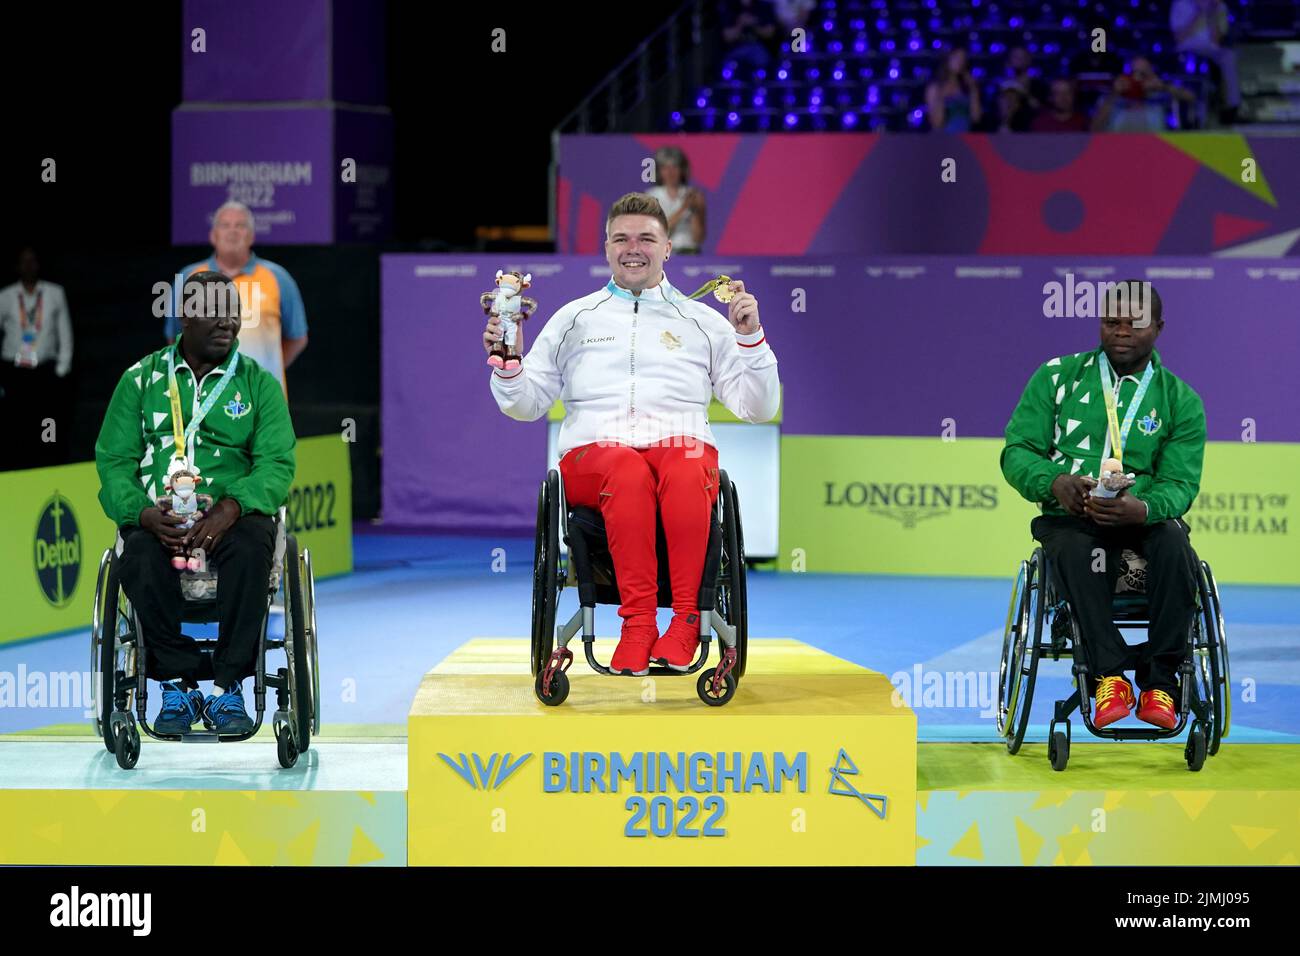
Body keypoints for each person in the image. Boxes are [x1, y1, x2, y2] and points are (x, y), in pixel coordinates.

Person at [484, 194, 780, 675]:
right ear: (606, 249)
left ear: (668, 248)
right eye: (622, 238)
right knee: (624, 466)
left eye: (646, 238)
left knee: (685, 463)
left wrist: (749, 338)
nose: (633, 248)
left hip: (680, 451)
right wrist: (509, 367)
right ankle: (638, 624)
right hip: (593, 459)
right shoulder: (573, 318)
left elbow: (758, 406)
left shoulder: (703, 321)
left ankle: (685, 622)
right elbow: (526, 404)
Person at [1000, 282, 1206, 730]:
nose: (1122, 332)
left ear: (1158, 328)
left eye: (1135, 323)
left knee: (1175, 544)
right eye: (1111, 322)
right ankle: (1108, 678)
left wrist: (1144, 509)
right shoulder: (1057, 376)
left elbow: (1180, 483)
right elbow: (1017, 451)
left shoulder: (1180, 400)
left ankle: (1163, 684)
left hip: (1142, 520)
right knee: (1073, 552)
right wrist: (1054, 482)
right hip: (1072, 518)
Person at [97, 271, 295, 735]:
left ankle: (228, 688)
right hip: (158, 519)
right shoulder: (140, 380)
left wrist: (233, 505)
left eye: (232, 311)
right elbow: (113, 463)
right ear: (186, 316)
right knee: (139, 555)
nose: (227, 322)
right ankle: (174, 682)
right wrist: (142, 513)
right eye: (213, 311)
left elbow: (277, 465)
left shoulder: (258, 384)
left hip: (233, 518)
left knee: (251, 547)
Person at [165, 201, 308, 397]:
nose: (232, 231)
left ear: (251, 236)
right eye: (225, 225)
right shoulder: (188, 277)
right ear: (213, 236)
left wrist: (265, 371)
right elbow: (174, 337)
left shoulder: (278, 277)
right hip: (202, 398)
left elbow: (297, 338)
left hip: (262, 398)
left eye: (240, 225)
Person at [0, 247, 73, 469]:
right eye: (24, 262)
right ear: (17, 267)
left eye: (33, 261)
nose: (29, 266)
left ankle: (48, 466)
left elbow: (65, 332)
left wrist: (62, 368)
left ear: (38, 265)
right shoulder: (5, 296)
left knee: (48, 426)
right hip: (15, 372)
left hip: (45, 372)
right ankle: (19, 468)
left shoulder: (54, 293)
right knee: (17, 426)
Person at [1170, 0, 1240, 124]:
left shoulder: (1219, 6)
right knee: (1195, 64)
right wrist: (1198, 12)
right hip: (1186, 47)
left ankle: (1232, 108)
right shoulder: (1181, 4)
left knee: (1230, 56)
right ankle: (1194, 114)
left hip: (1211, 49)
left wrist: (1211, 13)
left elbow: (1216, 40)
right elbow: (1180, 38)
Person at [1092, 56, 1196, 132]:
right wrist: (1114, 94)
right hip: (1116, 152)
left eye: (1143, 74)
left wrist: (1164, 87)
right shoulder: (1113, 99)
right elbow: (1093, 129)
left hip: (1154, 152)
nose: (1138, 78)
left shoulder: (1159, 98)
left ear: (1151, 75)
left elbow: (1191, 97)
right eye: (1134, 73)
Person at [645, 146, 706, 255]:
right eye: (665, 168)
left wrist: (694, 210)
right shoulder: (651, 196)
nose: (670, 172)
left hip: (691, 252)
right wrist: (684, 208)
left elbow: (699, 238)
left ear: (682, 170)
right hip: (664, 254)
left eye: (675, 167)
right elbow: (660, 232)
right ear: (659, 171)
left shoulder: (694, 195)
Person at [926, 47, 982, 132]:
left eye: (963, 59)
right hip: (944, 140)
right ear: (948, 58)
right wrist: (941, 97)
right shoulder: (935, 87)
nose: (960, 62)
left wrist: (974, 89)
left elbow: (976, 118)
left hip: (966, 139)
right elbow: (937, 123)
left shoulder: (967, 87)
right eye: (956, 57)